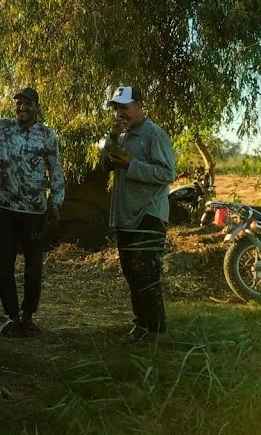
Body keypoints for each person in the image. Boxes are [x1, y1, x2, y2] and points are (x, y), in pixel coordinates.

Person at [0, 87, 66, 337]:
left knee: (33, 268)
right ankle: (12, 318)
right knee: (2, 266)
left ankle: (28, 318)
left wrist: (55, 203)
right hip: (4, 209)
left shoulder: (47, 135)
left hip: (34, 213)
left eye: (27, 104)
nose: (22, 108)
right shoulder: (2, 128)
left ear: (37, 107)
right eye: (18, 104)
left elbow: (56, 170)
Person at [102, 85, 176, 342]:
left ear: (139, 106)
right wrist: (111, 139)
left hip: (149, 213)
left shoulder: (154, 135)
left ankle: (155, 330)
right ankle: (142, 324)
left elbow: (168, 173)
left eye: (124, 107)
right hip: (125, 214)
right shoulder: (120, 137)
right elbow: (104, 164)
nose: (120, 113)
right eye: (116, 108)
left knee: (145, 271)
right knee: (130, 271)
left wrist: (132, 164)